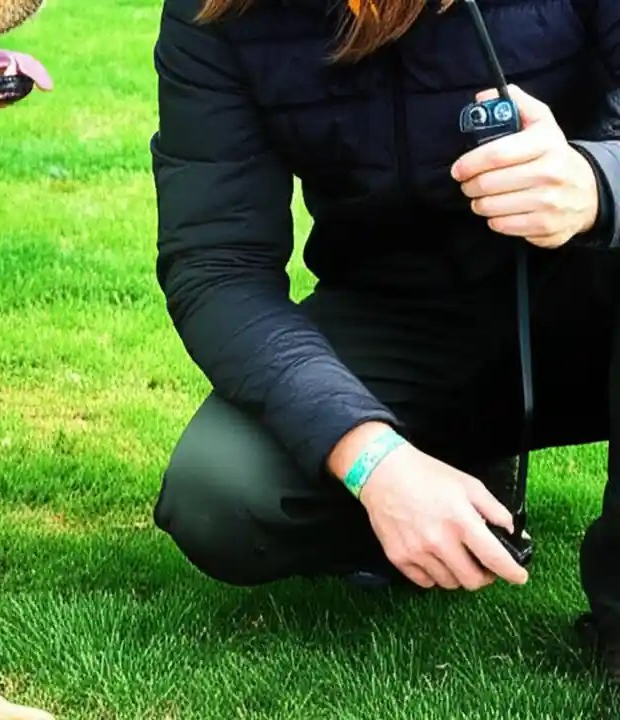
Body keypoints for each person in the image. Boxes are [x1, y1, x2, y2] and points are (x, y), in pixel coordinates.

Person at [148, 0, 620, 676]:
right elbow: (218, 268)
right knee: (221, 495)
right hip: (396, 313)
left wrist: (596, 183)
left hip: (587, 287)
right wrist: (374, 463)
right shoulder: (212, 13)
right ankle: (445, 482)